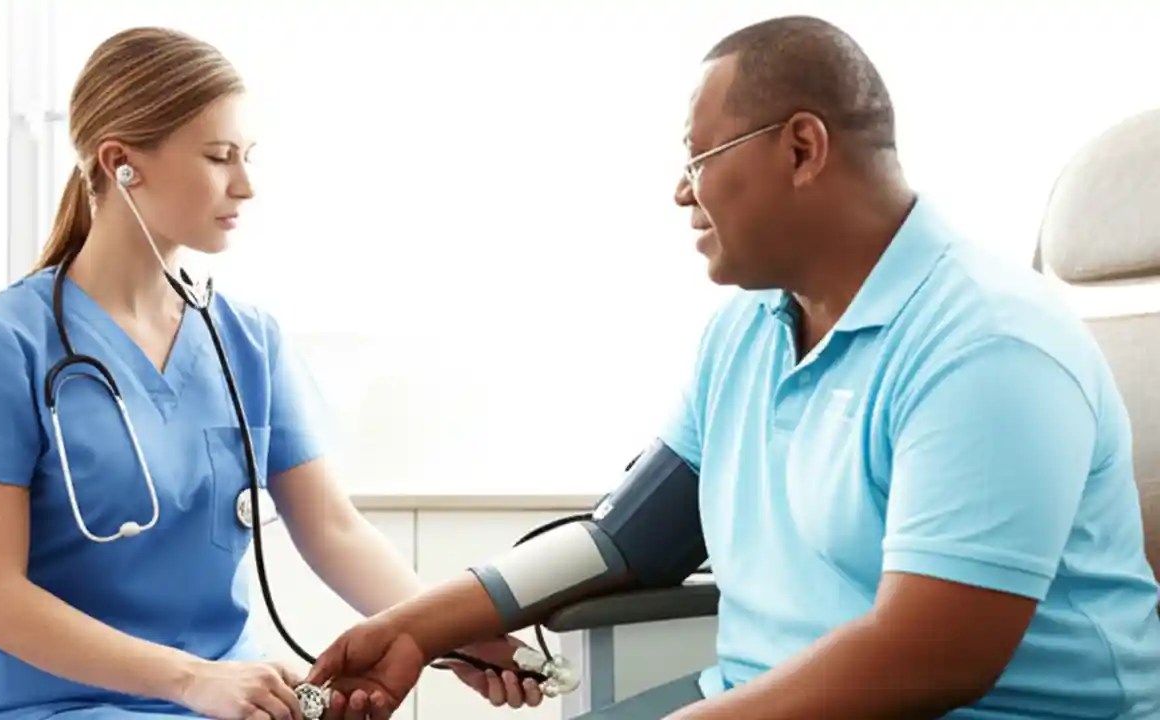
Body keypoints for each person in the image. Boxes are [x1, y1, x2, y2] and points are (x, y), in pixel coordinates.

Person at [302, 14, 1160, 719]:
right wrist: (418, 625)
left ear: (801, 149)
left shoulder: (989, 344)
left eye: (698, 158)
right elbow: (629, 538)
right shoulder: (746, 329)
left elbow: (934, 655)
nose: (682, 193)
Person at [0, 27, 543, 720]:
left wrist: (452, 636)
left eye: (249, 156)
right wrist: (190, 679)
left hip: (219, 701)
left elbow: (333, 529)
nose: (246, 184)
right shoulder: (0, 343)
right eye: (219, 157)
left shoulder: (247, 339)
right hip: (45, 705)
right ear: (121, 163)